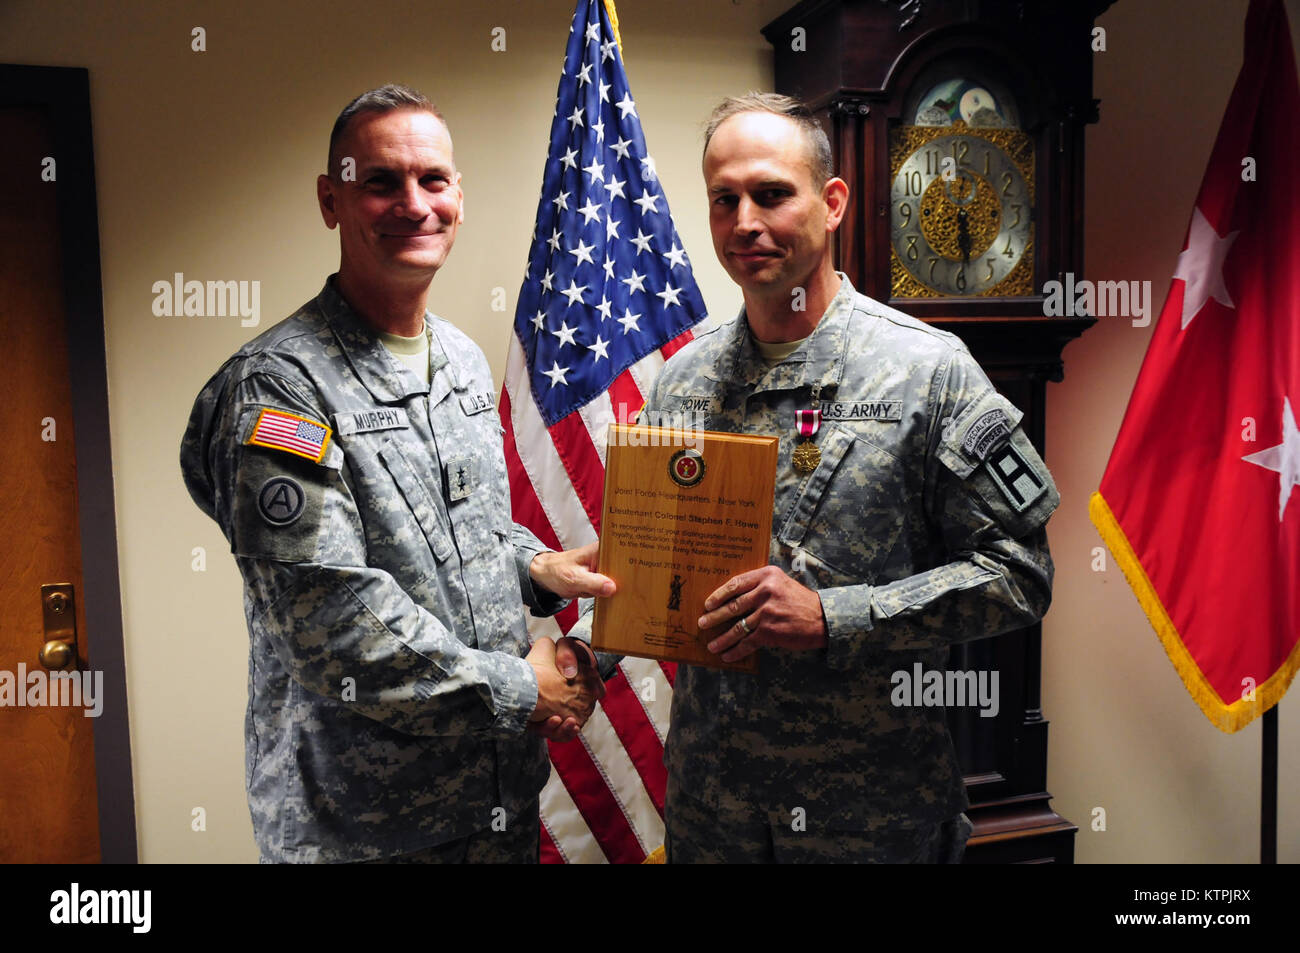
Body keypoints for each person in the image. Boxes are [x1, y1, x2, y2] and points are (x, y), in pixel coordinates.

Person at [180, 85, 613, 864]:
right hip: (366, 830)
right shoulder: (281, 388)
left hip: (497, 806)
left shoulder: (459, 359)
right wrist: (521, 689)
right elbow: (333, 620)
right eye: (381, 182)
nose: (414, 204)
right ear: (331, 200)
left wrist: (535, 565)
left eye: (434, 181)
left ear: (457, 196)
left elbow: (457, 527)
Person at [644, 93, 1059, 862]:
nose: (744, 222)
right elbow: (655, 569)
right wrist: (583, 647)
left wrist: (839, 616)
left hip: (869, 820)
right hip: (714, 813)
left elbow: (1021, 575)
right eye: (723, 200)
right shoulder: (683, 383)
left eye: (771, 194)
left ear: (832, 203)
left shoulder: (928, 373)